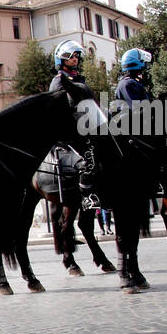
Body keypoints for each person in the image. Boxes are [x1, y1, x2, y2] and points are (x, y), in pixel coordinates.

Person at [51, 40, 101, 209]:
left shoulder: (79, 79)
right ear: (62, 59)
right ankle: (87, 195)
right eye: (70, 57)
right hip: (69, 130)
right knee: (87, 159)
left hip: (86, 125)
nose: (75, 59)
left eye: (76, 56)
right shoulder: (59, 81)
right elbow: (58, 108)